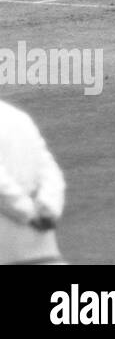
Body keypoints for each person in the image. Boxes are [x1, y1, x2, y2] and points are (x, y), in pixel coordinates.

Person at [0, 98, 67, 265]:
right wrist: (49, 207)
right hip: (43, 246)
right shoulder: (19, 117)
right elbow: (49, 170)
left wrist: (27, 213)